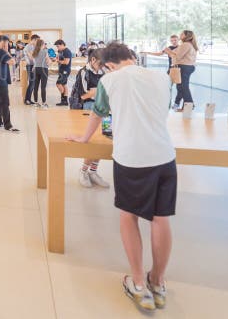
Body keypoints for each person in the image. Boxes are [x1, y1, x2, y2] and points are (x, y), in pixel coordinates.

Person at [66, 42, 176, 311]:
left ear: (109, 64)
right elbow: (162, 111)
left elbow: (97, 113)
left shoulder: (110, 80)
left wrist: (83, 138)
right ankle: (158, 282)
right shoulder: (162, 78)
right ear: (132, 57)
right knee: (161, 218)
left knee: (129, 216)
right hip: (164, 155)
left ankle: (138, 282)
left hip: (131, 157)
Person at [69, 50, 109, 188]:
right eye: (99, 63)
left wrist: (98, 91)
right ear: (92, 60)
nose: (101, 66)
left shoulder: (103, 72)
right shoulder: (83, 72)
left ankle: (93, 171)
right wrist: (100, 91)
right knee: (92, 141)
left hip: (103, 107)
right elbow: (84, 94)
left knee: (101, 140)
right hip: (88, 107)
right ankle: (84, 171)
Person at [0, 35, 19, 132]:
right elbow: (13, 62)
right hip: (0, 81)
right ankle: (8, 125)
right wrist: (7, 51)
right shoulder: (1, 52)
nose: (8, 45)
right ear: (3, 42)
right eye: (7, 43)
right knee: (5, 102)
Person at [144, 35, 181, 106]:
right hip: (171, 69)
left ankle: (177, 103)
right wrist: (148, 53)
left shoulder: (181, 48)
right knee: (167, 85)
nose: (173, 42)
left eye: (175, 40)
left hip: (179, 68)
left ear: (178, 40)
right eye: (172, 40)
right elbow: (159, 54)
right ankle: (166, 103)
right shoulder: (169, 48)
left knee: (180, 87)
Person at [165, 30, 197, 111]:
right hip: (187, 67)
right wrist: (171, 52)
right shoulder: (188, 45)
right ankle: (186, 106)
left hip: (184, 67)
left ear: (186, 36)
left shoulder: (186, 45)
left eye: (182, 34)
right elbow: (175, 53)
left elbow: (177, 57)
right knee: (181, 87)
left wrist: (169, 52)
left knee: (183, 87)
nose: (180, 35)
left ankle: (189, 105)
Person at [54, 40, 73, 106]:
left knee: (58, 84)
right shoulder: (60, 51)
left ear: (62, 44)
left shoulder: (67, 51)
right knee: (64, 84)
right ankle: (65, 101)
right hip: (61, 69)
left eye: (58, 46)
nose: (57, 48)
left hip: (65, 70)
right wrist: (55, 59)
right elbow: (59, 58)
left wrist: (58, 61)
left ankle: (63, 100)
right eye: (57, 46)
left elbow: (66, 62)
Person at [31, 39, 50, 108]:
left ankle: (36, 103)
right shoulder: (45, 51)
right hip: (43, 69)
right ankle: (44, 103)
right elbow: (48, 61)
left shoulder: (34, 52)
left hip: (36, 69)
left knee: (35, 87)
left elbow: (34, 61)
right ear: (42, 44)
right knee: (43, 87)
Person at [23, 34, 39, 105]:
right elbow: (31, 57)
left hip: (33, 65)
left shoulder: (33, 46)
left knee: (33, 83)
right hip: (30, 65)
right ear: (34, 39)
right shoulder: (28, 46)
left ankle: (29, 99)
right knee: (32, 83)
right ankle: (27, 99)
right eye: (37, 40)